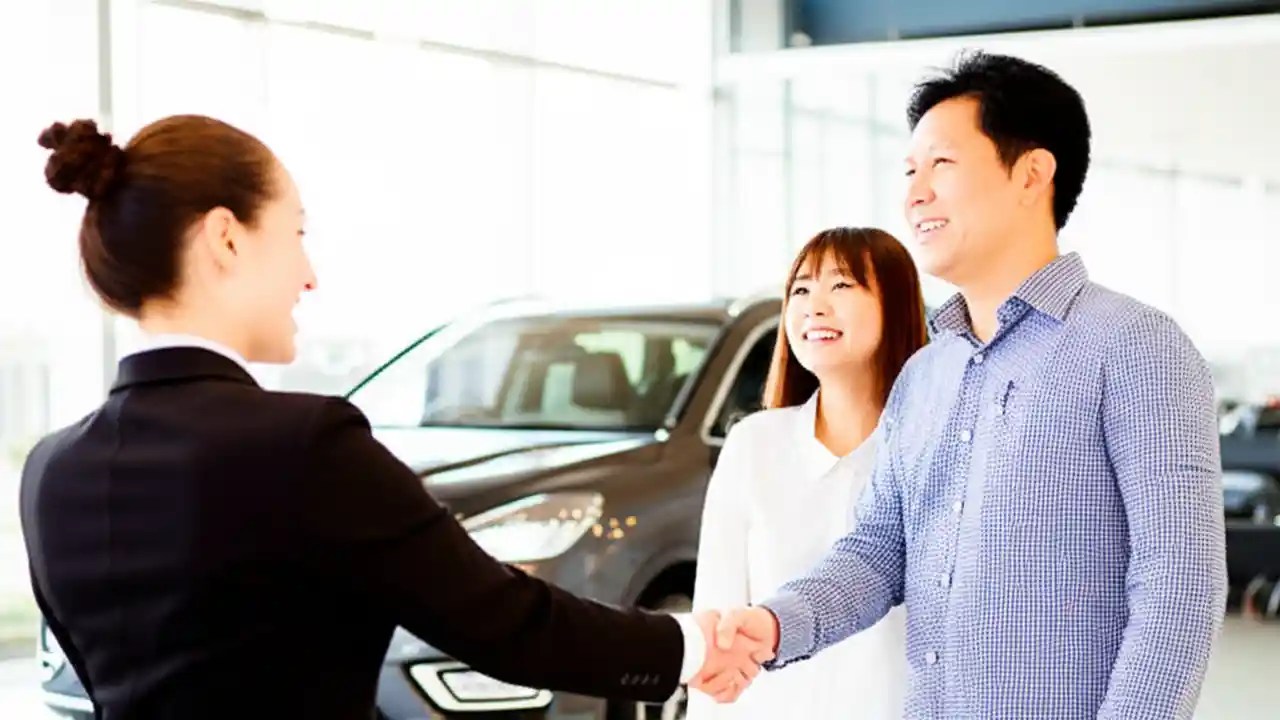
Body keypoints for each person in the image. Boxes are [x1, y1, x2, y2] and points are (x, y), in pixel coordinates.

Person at [19, 115, 768, 720]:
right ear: (225, 237)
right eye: (297, 234)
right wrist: (693, 647)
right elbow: (504, 621)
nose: (309, 275)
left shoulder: (50, 470)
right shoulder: (305, 444)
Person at [711, 50, 1227, 719]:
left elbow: (1179, 587)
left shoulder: (1136, 348)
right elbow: (877, 551)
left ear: (1032, 174)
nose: (915, 193)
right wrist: (778, 623)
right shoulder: (927, 372)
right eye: (909, 171)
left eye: (942, 165)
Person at [686, 227, 927, 720]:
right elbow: (716, 620)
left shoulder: (932, 444)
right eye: (800, 289)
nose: (814, 306)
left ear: (897, 303)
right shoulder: (754, 443)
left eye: (841, 285)